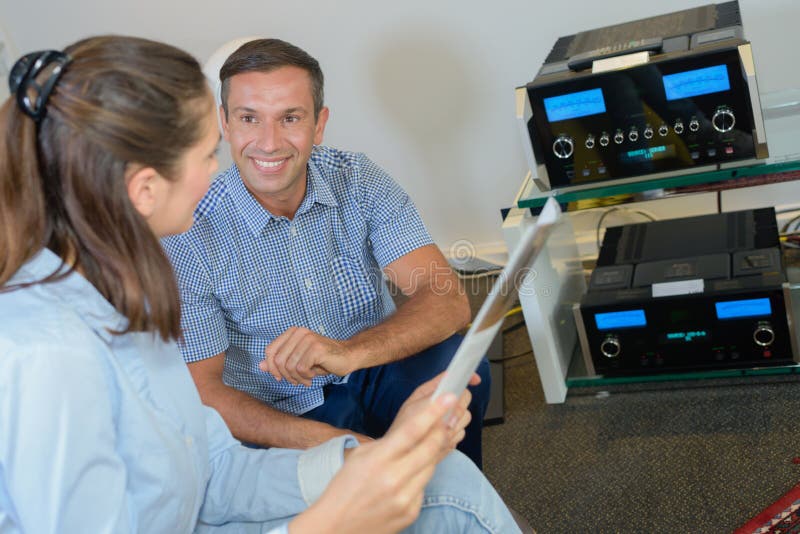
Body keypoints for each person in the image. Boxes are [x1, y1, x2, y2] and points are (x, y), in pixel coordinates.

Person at [0, 36, 522, 533]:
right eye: (210, 154)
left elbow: (212, 469)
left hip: (214, 500)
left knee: (450, 478)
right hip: (259, 444)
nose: (220, 173)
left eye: (288, 119)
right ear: (145, 190)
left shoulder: (129, 296)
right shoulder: (48, 355)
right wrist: (334, 518)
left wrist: (365, 458)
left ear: (319, 124)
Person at [161, 38, 491, 467]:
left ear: (319, 124)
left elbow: (445, 296)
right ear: (224, 124)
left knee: (459, 370)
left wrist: (349, 354)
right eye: (249, 119)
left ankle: (458, 502)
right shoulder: (189, 232)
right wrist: (346, 447)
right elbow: (205, 393)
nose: (268, 142)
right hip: (278, 407)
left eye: (290, 118)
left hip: (373, 365)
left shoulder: (357, 177)